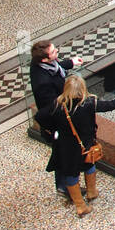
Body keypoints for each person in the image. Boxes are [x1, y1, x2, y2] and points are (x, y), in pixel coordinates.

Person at [38, 74, 115, 217]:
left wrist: (53, 131)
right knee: (89, 163)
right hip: (86, 144)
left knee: (71, 173)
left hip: (66, 147)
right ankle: (91, 192)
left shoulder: (58, 104)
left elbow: (40, 116)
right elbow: (111, 105)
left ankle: (80, 205)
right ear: (82, 88)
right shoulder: (89, 103)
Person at [30, 40, 86, 197]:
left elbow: (57, 66)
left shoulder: (44, 65)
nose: (57, 53)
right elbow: (50, 109)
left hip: (61, 117)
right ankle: (64, 187)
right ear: (44, 59)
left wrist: (70, 62)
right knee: (62, 154)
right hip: (57, 124)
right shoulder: (42, 82)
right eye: (54, 52)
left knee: (63, 154)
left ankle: (66, 184)